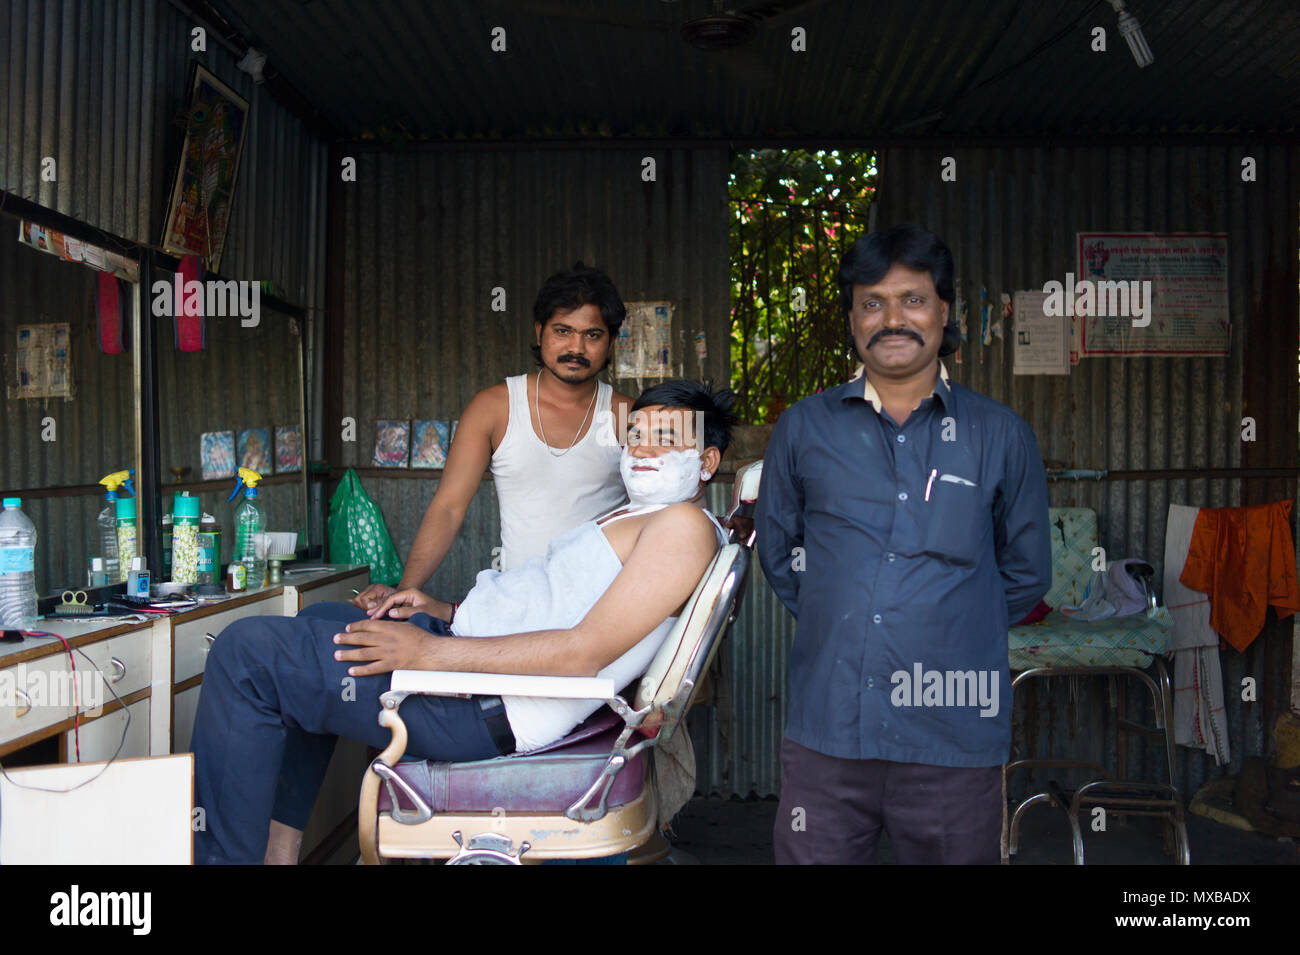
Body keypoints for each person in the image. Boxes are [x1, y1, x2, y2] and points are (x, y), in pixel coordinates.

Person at [192, 380, 738, 865]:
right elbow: (556, 606)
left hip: (485, 705)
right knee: (326, 620)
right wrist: (443, 612)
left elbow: (581, 653)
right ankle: (276, 852)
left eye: (666, 438)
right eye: (635, 433)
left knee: (248, 654)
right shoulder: (644, 516)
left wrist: (424, 653)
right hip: (471, 664)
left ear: (707, 462)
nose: (642, 448)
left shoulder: (682, 527)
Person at [756, 223, 1051, 865]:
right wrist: (847, 617)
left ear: (945, 311)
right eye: (872, 303)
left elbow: (1028, 573)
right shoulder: (804, 429)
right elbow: (779, 554)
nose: (893, 319)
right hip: (829, 733)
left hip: (952, 734)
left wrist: (946, 625)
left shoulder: (1000, 435)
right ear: (852, 320)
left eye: (912, 300)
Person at [352, 262, 634, 610]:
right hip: (515, 603)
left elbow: (661, 512)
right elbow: (449, 507)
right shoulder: (495, 407)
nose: (576, 347)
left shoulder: (627, 416)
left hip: (602, 603)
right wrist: (406, 589)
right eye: (562, 331)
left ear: (611, 342)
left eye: (592, 335)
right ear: (539, 332)